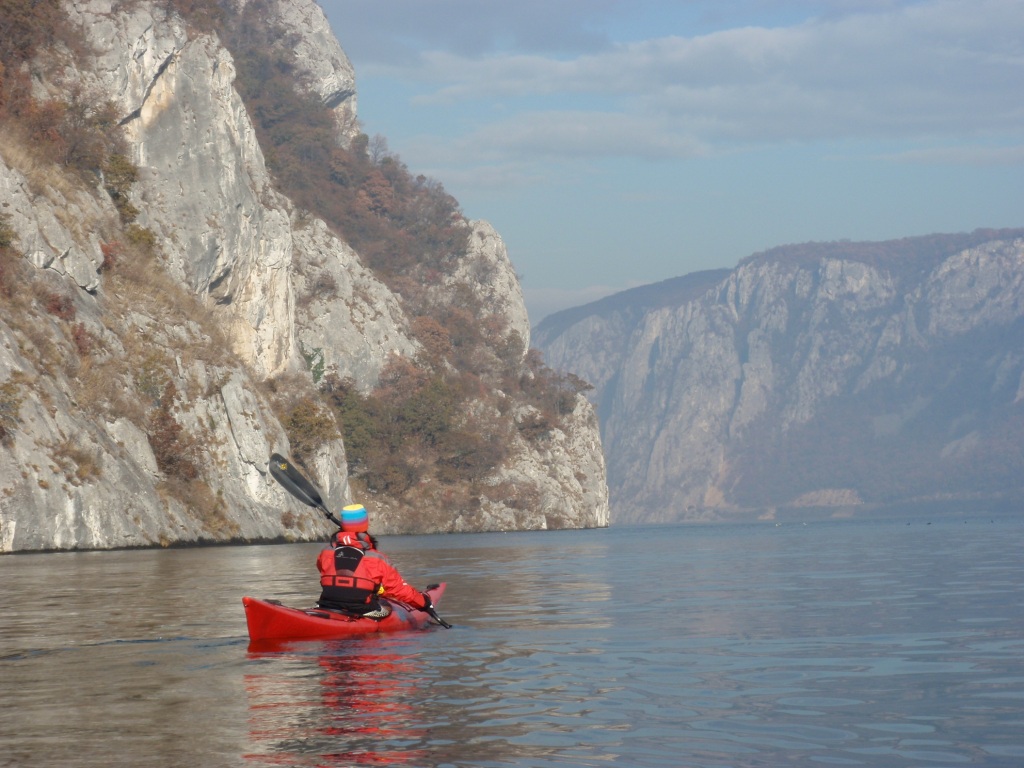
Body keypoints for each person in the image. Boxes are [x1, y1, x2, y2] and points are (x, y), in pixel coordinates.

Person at [316, 503, 432, 618]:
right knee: (387, 605)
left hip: (327, 605)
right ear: (365, 524)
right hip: (363, 609)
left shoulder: (326, 553)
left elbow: (324, 570)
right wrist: (423, 603)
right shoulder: (377, 558)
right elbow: (398, 589)